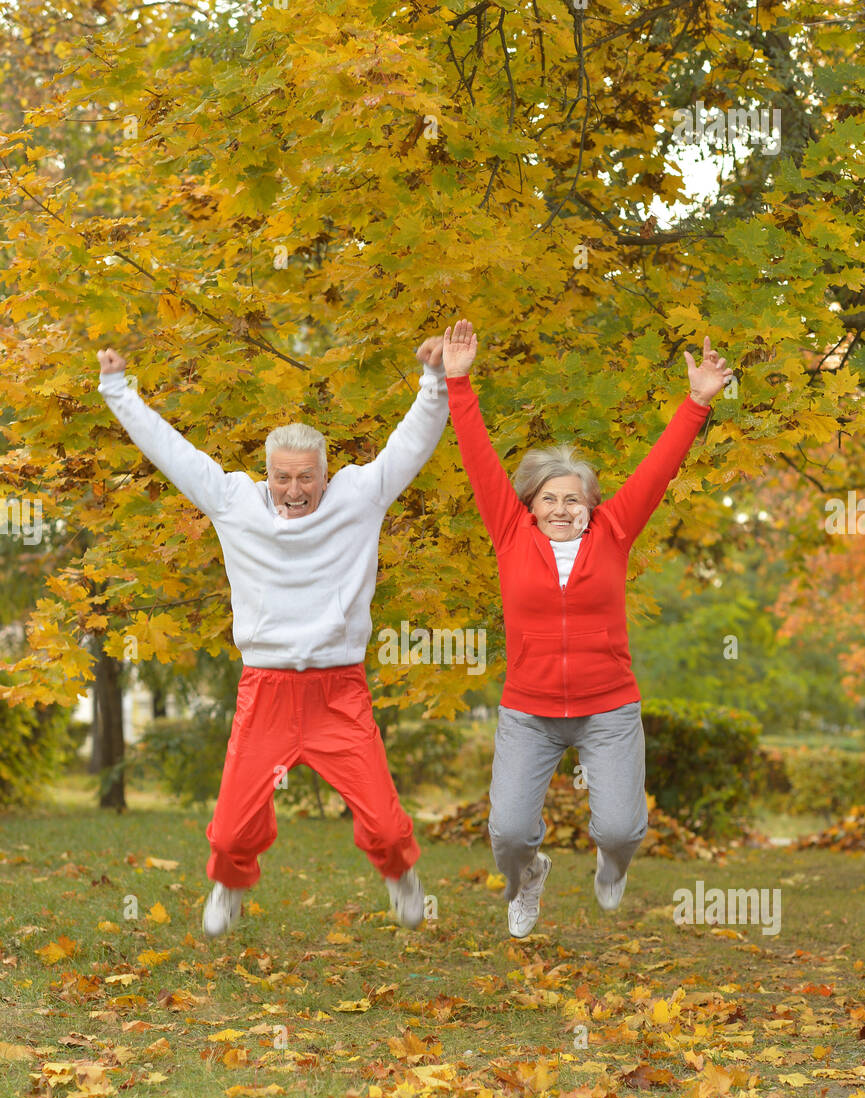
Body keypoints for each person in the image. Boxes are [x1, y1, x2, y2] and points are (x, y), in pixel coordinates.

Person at [96, 339, 450, 937]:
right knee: (233, 830)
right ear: (267, 475)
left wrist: (434, 380)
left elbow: (411, 444)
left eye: (305, 478)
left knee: (387, 826)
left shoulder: (361, 496)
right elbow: (172, 452)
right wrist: (117, 391)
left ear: (325, 475)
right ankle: (229, 886)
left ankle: (400, 875)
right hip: (266, 690)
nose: (294, 490)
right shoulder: (235, 501)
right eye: (282, 477)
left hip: (339, 691)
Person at [441, 320, 733, 938]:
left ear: (591, 505)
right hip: (530, 710)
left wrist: (698, 400)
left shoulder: (615, 532)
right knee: (508, 833)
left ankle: (612, 863)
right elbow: (479, 459)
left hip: (608, 708)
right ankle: (530, 879)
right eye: (549, 498)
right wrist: (459, 383)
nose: (562, 509)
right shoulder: (509, 533)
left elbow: (658, 468)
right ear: (530, 505)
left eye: (574, 499)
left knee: (623, 829)